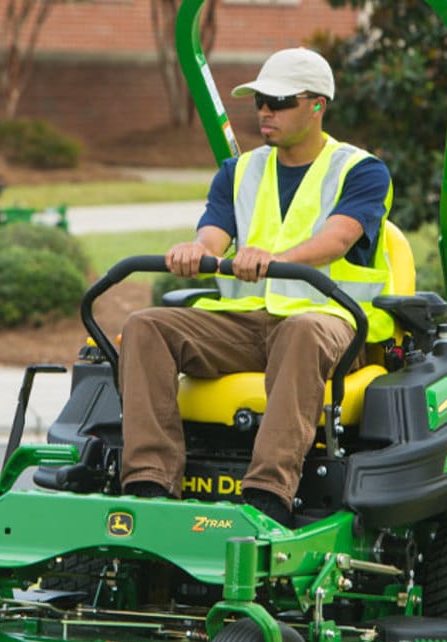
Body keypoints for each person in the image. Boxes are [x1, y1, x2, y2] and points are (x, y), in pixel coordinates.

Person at [118, 47, 395, 527]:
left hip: (329, 321)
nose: (266, 110)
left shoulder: (362, 171)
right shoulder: (239, 171)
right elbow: (214, 232)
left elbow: (339, 238)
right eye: (260, 100)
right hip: (245, 323)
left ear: (317, 105)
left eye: (280, 100)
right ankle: (149, 483)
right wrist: (196, 249)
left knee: (301, 332)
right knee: (146, 327)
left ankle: (268, 494)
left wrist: (276, 261)